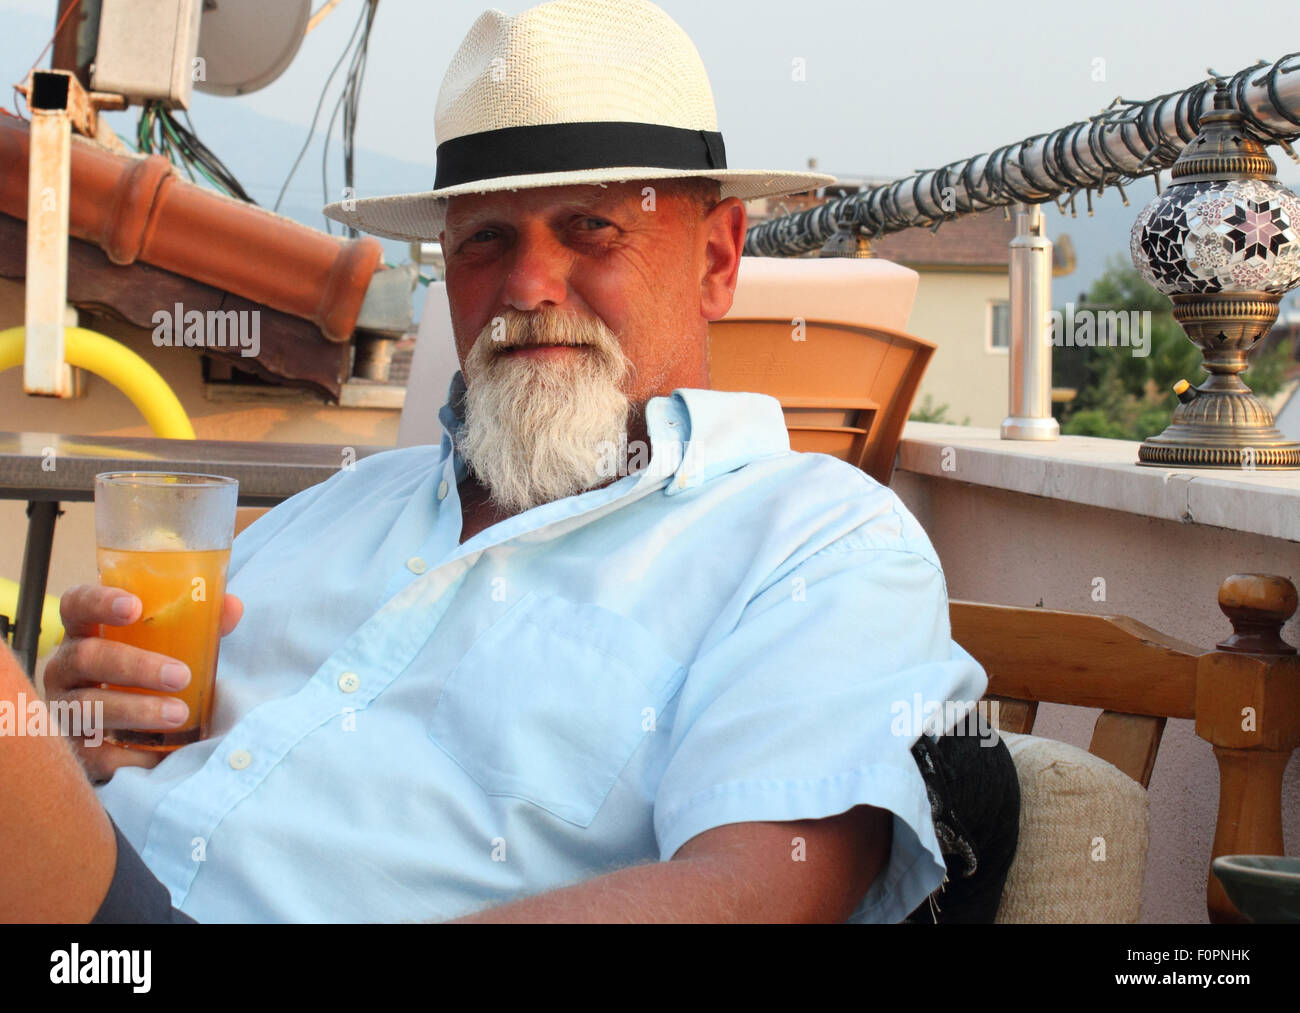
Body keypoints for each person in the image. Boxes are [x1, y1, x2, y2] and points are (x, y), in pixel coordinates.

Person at [30, 0, 1018, 923]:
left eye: (590, 226)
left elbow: (748, 894)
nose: (529, 283)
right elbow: (126, 752)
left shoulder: (814, 544)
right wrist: (80, 730)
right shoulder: (323, 515)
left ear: (717, 258)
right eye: (486, 238)